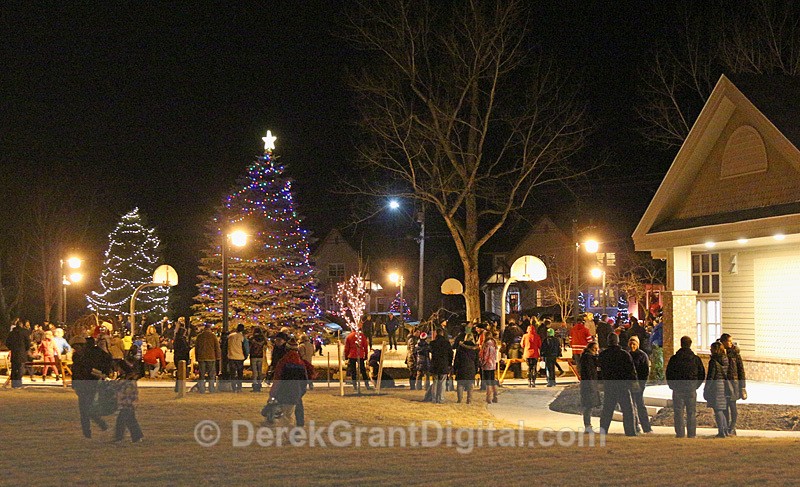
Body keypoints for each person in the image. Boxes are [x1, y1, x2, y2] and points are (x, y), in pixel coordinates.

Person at [268, 337, 314, 428]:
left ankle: (289, 431)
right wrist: (301, 391)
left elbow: (277, 379)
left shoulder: (283, 362)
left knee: (286, 415)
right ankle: (300, 423)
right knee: (297, 407)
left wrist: (272, 393)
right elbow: (304, 380)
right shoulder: (301, 363)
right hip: (297, 391)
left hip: (284, 391)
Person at [71, 336, 113, 438]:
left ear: (82, 345)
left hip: (91, 382)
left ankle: (92, 428)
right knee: (84, 408)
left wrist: (103, 372)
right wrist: (74, 383)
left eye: (77, 347)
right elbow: (75, 371)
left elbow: (107, 360)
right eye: (74, 348)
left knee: (86, 407)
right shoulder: (76, 356)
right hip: (81, 384)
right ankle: (88, 431)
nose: (76, 349)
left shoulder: (93, 353)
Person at [598, 333, 637, 436]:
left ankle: (603, 430)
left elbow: (599, 371)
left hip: (609, 386)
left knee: (607, 410)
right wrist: (634, 382)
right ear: (617, 341)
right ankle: (630, 432)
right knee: (628, 410)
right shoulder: (624, 354)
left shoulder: (603, 355)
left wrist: (600, 382)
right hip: (623, 386)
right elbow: (631, 370)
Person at [666, 335, 705, 438]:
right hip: (691, 388)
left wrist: (672, 385)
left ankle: (680, 433)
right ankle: (691, 433)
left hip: (678, 388)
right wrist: (696, 385)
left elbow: (669, 373)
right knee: (691, 412)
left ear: (681, 344)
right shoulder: (695, 359)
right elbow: (701, 374)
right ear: (690, 344)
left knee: (678, 411)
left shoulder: (674, 359)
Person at [720, 333, 746, 436]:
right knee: (725, 406)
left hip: (734, 383)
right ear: (723, 342)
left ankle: (732, 426)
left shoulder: (735, 354)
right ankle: (726, 426)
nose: (731, 343)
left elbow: (741, 370)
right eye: (729, 341)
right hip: (724, 383)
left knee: (732, 405)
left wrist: (742, 386)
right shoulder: (720, 353)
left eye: (731, 341)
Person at [704, 341, 732, 438]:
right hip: (723, 385)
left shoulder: (713, 361)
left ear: (715, 350)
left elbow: (711, 376)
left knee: (717, 410)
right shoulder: (725, 359)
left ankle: (721, 431)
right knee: (722, 409)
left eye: (711, 348)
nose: (710, 350)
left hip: (716, 386)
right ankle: (725, 430)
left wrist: (706, 388)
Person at [113, 361, 143, 444]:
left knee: (121, 420)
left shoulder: (129, 379)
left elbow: (127, 390)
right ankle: (137, 436)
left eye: (119, 367)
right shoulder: (125, 377)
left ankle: (119, 438)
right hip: (126, 402)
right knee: (130, 420)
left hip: (127, 402)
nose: (118, 369)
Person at [628, 336, 653, 434]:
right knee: (632, 405)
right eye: (631, 344)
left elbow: (645, 371)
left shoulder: (642, 356)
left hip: (639, 384)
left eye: (634, 344)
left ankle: (646, 427)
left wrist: (641, 384)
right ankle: (635, 426)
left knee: (640, 405)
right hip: (630, 384)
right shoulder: (627, 355)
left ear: (637, 344)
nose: (632, 346)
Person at [579, 341, 601, 433]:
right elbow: (589, 373)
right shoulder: (588, 358)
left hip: (589, 384)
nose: (596, 350)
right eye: (595, 349)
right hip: (589, 385)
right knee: (588, 406)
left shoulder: (587, 357)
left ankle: (588, 425)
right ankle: (587, 426)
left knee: (589, 406)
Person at [453, 333, 479, 404]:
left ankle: (459, 399)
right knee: (470, 384)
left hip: (461, 367)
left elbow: (456, 360)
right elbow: (476, 361)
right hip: (471, 367)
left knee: (460, 384)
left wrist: (455, 369)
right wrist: (476, 370)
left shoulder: (460, 347)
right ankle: (469, 400)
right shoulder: (475, 349)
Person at [430, 327, 453, 404]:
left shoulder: (432, 343)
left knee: (435, 382)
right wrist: (449, 364)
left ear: (436, 333)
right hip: (444, 364)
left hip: (435, 365)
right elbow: (451, 354)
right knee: (442, 382)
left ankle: (434, 398)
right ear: (442, 334)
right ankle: (441, 398)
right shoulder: (447, 343)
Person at [195, 324, 221, 393]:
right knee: (211, 374)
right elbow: (217, 347)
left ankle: (201, 389)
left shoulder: (200, 336)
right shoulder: (213, 336)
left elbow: (196, 347)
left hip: (201, 357)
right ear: (210, 329)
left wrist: (197, 357)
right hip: (211, 357)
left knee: (202, 374)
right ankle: (211, 388)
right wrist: (218, 357)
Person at [344, 323, 371, 390]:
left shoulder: (349, 336)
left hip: (352, 355)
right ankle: (367, 385)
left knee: (353, 371)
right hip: (360, 354)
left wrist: (346, 356)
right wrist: (366, 355)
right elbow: (365, 346)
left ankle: (355, 386)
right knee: (363, 370)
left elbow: (346, 348)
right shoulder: (361, 336)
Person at [6, 321, 31, 389]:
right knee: (20, 368)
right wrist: (26, 349)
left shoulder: (11, 333)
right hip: (21, 352)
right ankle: (19, 383)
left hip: (14, 353)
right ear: (21, 325)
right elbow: (28, 342)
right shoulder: (24, 332)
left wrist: (11, 348)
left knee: (14, 368)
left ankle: (14, 384)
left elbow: (7, 343)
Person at [227, 324, 249, 393]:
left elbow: (226, 346)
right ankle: (239, 387)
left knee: (232, 373)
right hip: (240, 357)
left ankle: (233, 388)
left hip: (231, 356)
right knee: (240, 373)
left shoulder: (230, 336)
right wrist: (246, 356)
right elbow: (246, 348)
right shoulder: (242, 337)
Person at [479, 330, 498, 404]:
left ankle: (488, 398)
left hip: (487, 365)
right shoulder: (494, 343)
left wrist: (482, 363)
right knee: (493, 381)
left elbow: (486, 355)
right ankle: (495, 396)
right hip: (493, 364)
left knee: (488, 382)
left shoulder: (486, 344)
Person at [173, 327, 191, 392]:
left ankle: (178, 387)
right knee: (182, 373)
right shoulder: (182, 340)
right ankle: (180, 387)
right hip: (182, 357)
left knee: (179, 373)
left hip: (177, 357)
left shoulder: (176, 339)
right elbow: (185, 348)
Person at [249, 328, 267, 392]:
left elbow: (249, 346)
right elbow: (266, 344)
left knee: (254, 372)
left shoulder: (252, 338)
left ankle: (254, 386)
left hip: (253, 356)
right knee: (259, 371)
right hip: (260, 356)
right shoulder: (263, 339)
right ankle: (259, 386)